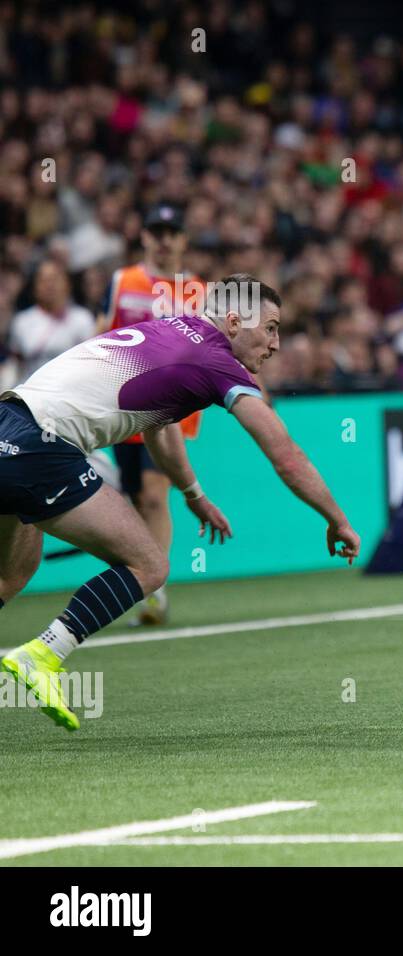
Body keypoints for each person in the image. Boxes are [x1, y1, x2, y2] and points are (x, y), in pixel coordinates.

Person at [0, 274, 360, 731]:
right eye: (270, 328)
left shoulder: (171, 329)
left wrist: (193, 494)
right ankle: (44, 655)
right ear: (234, 321)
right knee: (149, 565)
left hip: (8, 420)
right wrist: (336, 519)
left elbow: (160, 427)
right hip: (43, 449)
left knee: (11, 573)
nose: (275, 343)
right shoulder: (218, 363)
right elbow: (285, 454)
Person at [97, 203, 203, 625]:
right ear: (144, 236)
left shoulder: (196, 289)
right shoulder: (124, 280)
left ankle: (154, 589)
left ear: (182, 240)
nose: (163, 239)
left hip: (170, 407)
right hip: (122, 402)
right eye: (156, 230)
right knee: (133, 498)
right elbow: (102, 332)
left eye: (171, 231)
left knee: (157, 495)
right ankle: (143, 570)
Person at [8, 261, 96, 382]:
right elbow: (16, 364)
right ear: (35, 288)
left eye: (54, 279)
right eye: (43, 280)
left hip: (69, 388)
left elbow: (91, 362)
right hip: (30, 390)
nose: (49, 285)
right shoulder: (22, 321)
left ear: (67, 284)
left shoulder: (82, 318)